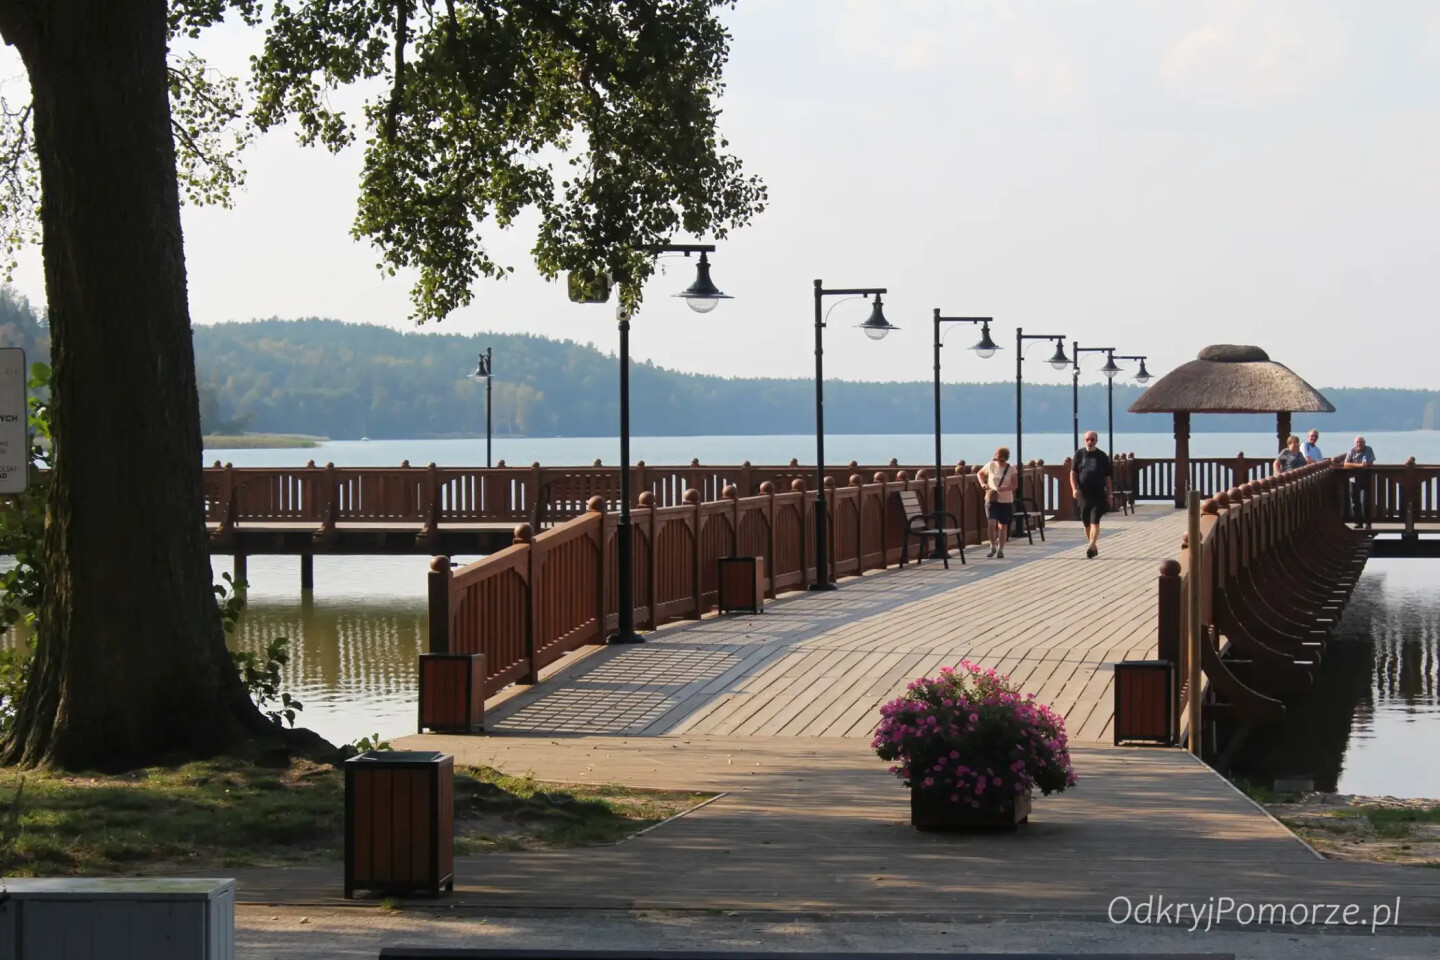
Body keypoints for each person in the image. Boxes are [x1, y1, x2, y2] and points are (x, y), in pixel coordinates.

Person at [1071, 430, 1113, 559]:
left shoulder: (1101, 456)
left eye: (1092, 439)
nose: (1090, 442)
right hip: (1083, 494)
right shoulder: (1079, 454)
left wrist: (1109, 495)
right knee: (1086, 522)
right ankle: (1093, 546)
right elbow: (1073, 473)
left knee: (1095, 520)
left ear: (1096, 441)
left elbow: (1107, 477)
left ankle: (1091, 544)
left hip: (1098, 493)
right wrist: (1074, 489)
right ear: (1084, 440)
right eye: (1088, 439)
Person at [978, 447, 1017, 559]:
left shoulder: (1011, 469)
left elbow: (1015, 485)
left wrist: (1005, 488)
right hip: (991, 499)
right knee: (991, 522)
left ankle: (1001, 549)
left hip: (1005, 500)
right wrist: (983, 484)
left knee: (1002, 525)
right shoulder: (990, 465)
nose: (1000, 461)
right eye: (999, 458)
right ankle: (992, 545)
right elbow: (979, 474)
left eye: (1002, 459)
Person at [1342, 435, 1376, 529]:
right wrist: (1360, 465)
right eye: (1357, 442)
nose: (1359, 444)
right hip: (1354, 478)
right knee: (1355, 501)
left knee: (1366, 501)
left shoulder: (1368, 449)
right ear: (1355, 443)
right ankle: (1358, 522)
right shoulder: (1351, 450)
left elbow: (1371, 463)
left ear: (1364, 443)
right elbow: (1346, 463)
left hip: (1366, 477)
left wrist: (1365, 465)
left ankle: (1368, 523)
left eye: (1361, 442)